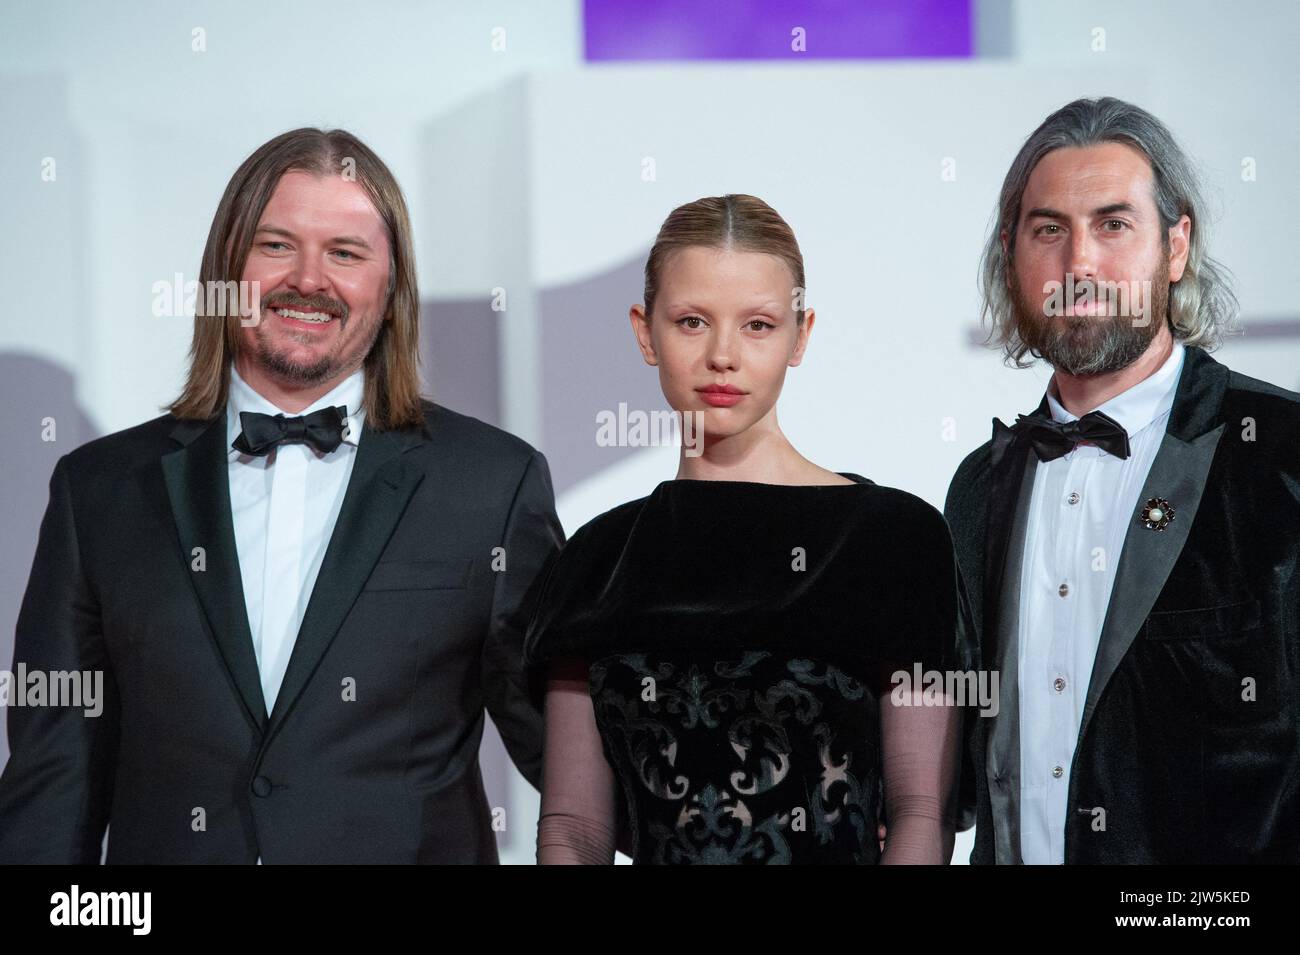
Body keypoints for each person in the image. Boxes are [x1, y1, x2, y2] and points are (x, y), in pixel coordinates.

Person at [0, 128, 563, 864]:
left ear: (391, 291)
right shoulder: (99, 490)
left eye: (346, 252)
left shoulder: (491, 482)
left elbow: (566, 757)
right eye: (275, 245)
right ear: (225, 271)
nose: (309, 278)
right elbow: (54, 784)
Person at [524, 194, 975, 864]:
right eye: (692, 321)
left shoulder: (893, 541)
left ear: (802, 333)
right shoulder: (596, 561)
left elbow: (921, 813)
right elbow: (572, 829)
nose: (723, 356)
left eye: (758, 325)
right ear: (645, 333)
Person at [946, 97, 1300, 864]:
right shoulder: (977, 487)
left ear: (1176, 247)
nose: (1079, 264)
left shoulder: (1284, 454)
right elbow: (957, 776)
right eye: (1049, 230)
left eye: (1113, 224)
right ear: (1012, 254)